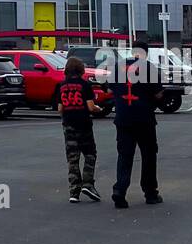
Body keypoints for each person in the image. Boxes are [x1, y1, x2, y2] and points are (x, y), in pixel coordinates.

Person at [109, 40, 165, 209]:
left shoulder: (117, 67)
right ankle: (150, 192)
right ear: (146, 53)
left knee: (125, 156)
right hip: (144, 119)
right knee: (148, 155)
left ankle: (120, 190)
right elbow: (158, 94)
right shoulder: (149, 68)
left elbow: (111, 90)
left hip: (123, 118)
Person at [58, 56, 103, 203]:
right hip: (83, 123)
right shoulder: (84, 85)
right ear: (81, 69)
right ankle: (88, 184)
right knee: (90, 154)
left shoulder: (62, 85)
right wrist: (98, 109)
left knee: (72, 158)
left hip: (68, 124)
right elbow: (90, 107)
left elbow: (60, 108)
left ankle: (74, 192)